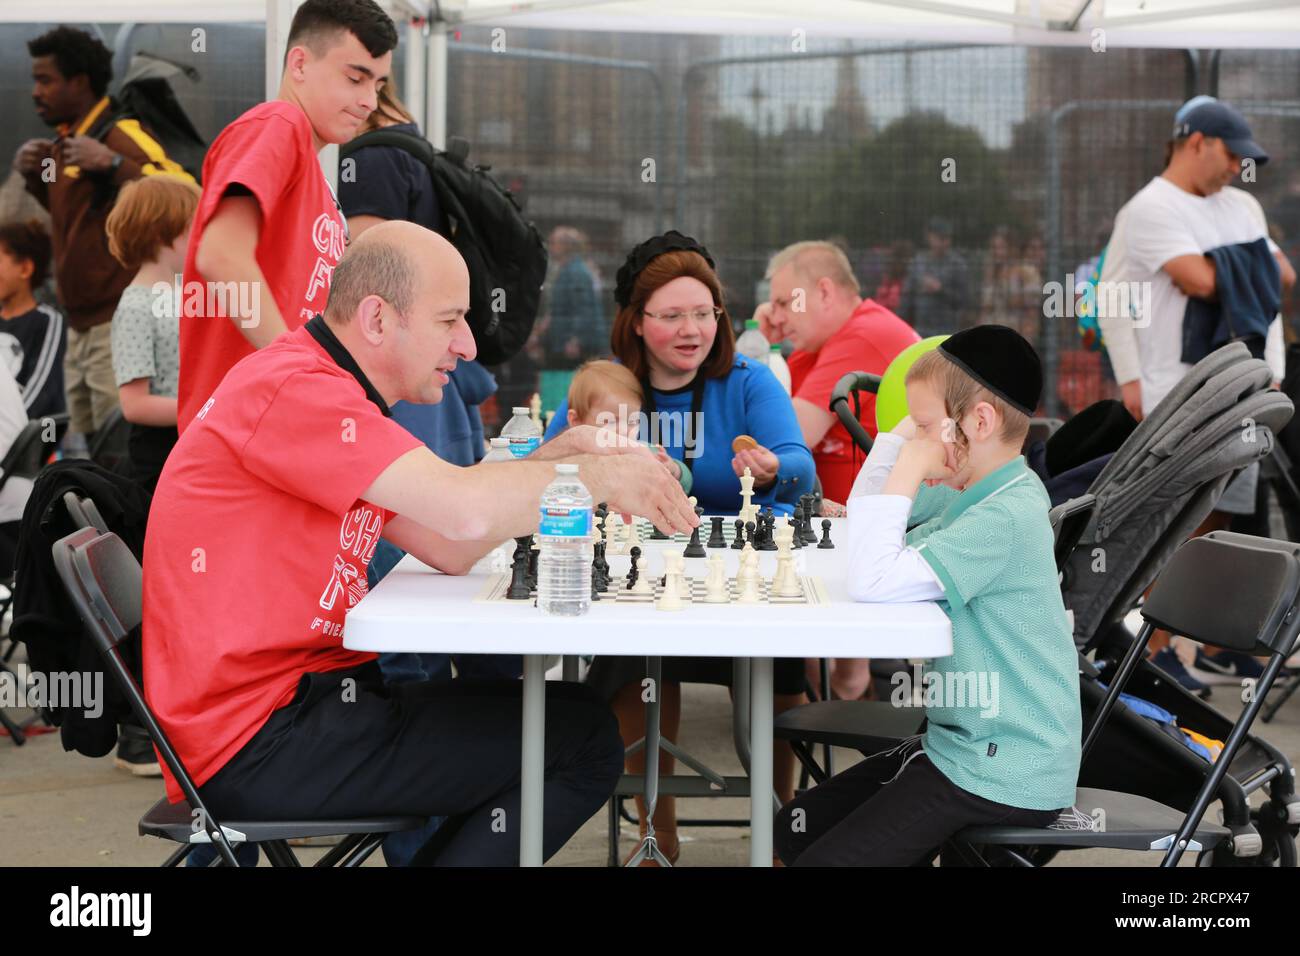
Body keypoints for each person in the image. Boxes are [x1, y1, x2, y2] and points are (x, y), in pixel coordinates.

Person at [143, 221, 695, 866]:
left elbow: (447, 542)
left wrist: (561, 458)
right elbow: (462, 516)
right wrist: (597, 478)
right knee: (579, 740)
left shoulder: (324, 389)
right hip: (259, 738)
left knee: (568, 717)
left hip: (296, 709)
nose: (467, 344)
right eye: (450, 319)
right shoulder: (299, 391)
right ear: (377, 318)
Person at [545, 230, 815, 864]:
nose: (692, 329)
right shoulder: (607, 385)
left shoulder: (746, 381)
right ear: (636, 323)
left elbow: (802, 466)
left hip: (735, 577)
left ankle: (775, 832)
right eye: (672, 316)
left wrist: (777, 468)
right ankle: (655, 833)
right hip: (643, 578)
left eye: (704, 313)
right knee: (637, 661)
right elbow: (545, 466)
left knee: (781, 665)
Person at [775, 324, 1081, 866]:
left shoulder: (1006, 514)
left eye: (921, 426)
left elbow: (871, 579)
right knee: (794, 831)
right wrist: (898, 442)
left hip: (1004, 767)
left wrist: (913, 462)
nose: (911, 441)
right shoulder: (965, 492)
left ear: (978, 422)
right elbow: (861, 535)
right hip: (955, 745)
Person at [1097, 98, 1296, 690]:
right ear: (1196, 142)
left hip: (1245, 386)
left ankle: (1203, 642)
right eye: (1232, 153)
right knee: (1175, 521)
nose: (1238, 166)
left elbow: (1276, 288)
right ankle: (1151, 651)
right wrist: (1131, 376)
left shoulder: (1245, 206)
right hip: (1176, 389)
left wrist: (1272, 367)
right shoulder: (1149, 209)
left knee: (1223, 515)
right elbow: (1200, 281)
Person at [178, 0, 398, 429]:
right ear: (299, 64)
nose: (369, 100)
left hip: (271, 422)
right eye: (355, 78)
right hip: (243, 429)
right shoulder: (279, 123)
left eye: (379, 85)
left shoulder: (311, 169)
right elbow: (220, 255)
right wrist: (293, 369)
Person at [15, 26, 192, 450]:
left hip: (117, 320)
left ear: (79, 82)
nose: (36, 91)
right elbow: (69, 212)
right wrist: (37, 174)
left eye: (46, 80)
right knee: (94, 449)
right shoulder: (63, 144)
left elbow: (185, 190)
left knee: (123, 445)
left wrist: (113, 162)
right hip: (79, 327)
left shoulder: (119, 134)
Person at [104, 176, 200, 494]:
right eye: (193, 227)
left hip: (189, 439)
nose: (201, 236)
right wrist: (204, 408)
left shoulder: (181, 293)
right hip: (159, 455)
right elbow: (135, 404)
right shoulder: (136, 306)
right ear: (163, 232)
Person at [562, 359, 692, 493]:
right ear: (576, 421)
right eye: (611, 421)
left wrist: (672, 469)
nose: (624, 430)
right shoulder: (569, 460)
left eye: (632, 421)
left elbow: (685, 484)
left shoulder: (642, 451)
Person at [0, 219, 65, 419]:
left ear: (25, 269)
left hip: (27, 440)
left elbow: (42, 390)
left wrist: (9, 426)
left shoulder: (47, 322)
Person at [540, 227, 605, 368]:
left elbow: (583, 309)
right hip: (562, 341)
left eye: (553, 242)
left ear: (565, 246)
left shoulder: (576, 272)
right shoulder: (564, 269)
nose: (550, 247)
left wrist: (576, 340)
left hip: (572, 345)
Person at [898, 217, 970, 336]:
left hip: (947, 330)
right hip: (921, 330)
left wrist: (940, 289)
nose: (944, 242)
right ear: (930, 237)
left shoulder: (957, 264)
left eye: (947, 238)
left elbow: (963, 300)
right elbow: (907, 297)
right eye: (940, 238)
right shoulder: (918, 262)